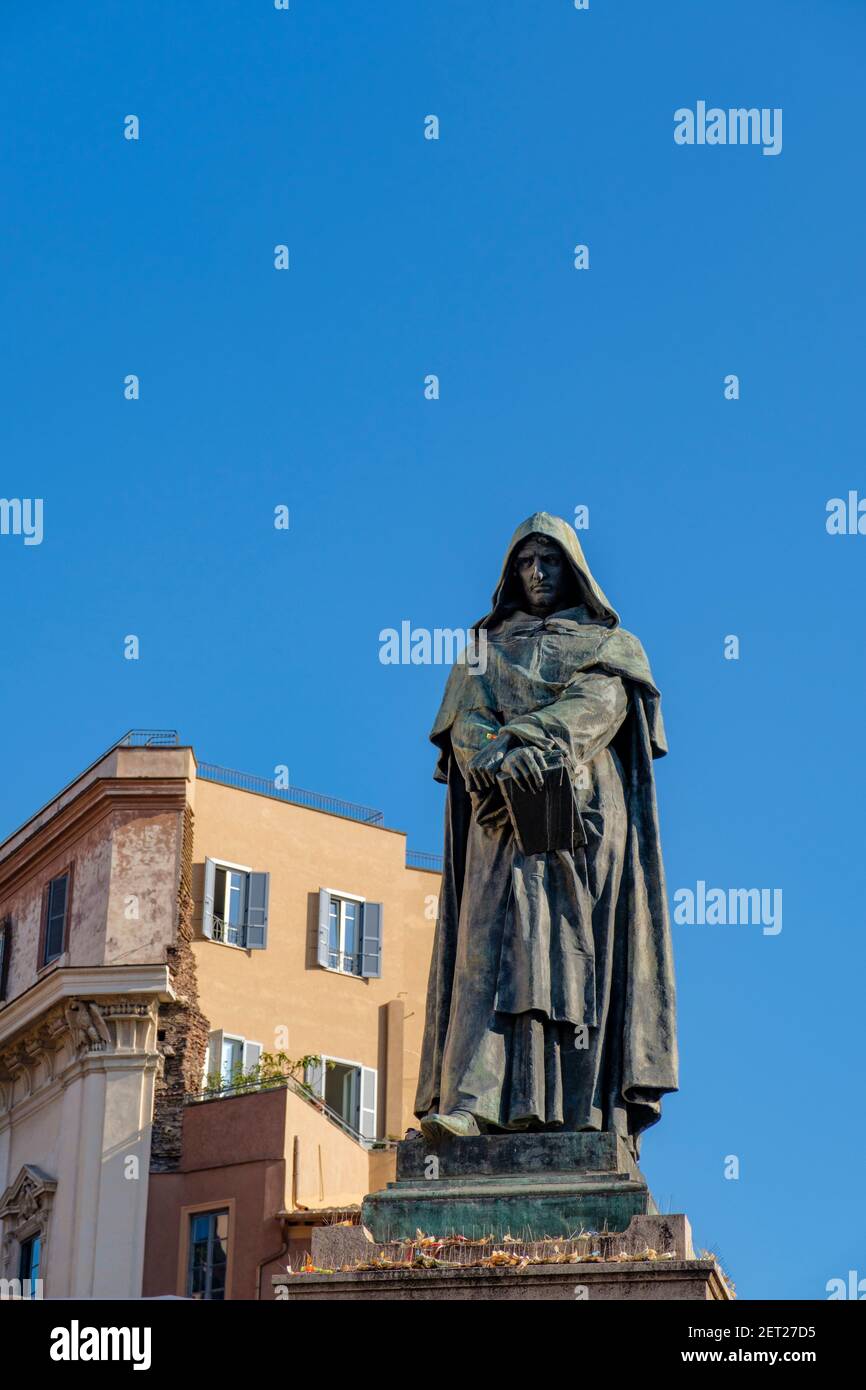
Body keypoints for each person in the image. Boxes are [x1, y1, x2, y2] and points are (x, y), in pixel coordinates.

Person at [415, 512, 678, 1159]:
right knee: (489, 950)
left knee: (575, 952)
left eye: (550, 560)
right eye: (527, 561)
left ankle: (582, 1114)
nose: (538, 572)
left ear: (574, 571)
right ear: (510, 573)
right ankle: (472, 1103)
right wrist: (499, 762)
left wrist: (527, 740)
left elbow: (599, 708)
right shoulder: (483, 650)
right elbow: (464, 727)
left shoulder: (611, 648)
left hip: (582, 825)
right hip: (500, 818)